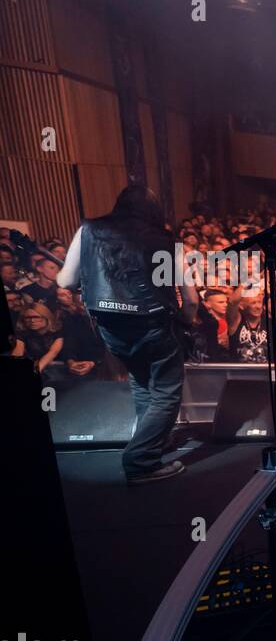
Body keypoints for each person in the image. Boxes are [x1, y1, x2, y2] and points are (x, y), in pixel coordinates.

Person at [57, 185, 197, 483]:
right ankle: (140, 460)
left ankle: (154, 442)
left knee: (143, 384)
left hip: (111, 328)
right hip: (154, 326)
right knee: (166, 393)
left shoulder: (88, 230)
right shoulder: (167, 241)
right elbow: (190, 298)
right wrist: (186, 320)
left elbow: (66, 280)